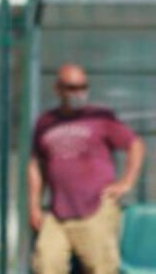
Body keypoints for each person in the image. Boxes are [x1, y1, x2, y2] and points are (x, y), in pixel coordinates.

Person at [29, 62, 145, 273]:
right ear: (58, 89)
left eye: (83, 87)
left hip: (95, 209)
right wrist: (34, 205)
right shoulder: (46, 122)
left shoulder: (100, 117)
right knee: (46, 263)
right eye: (72, 88)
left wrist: (127, 182)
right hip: (58, 212)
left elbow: (135, 144)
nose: (79, 93)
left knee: (101, 267)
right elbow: (37, 165)